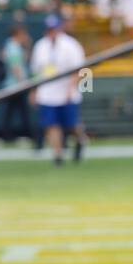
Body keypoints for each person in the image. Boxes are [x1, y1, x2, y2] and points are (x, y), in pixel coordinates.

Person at [30, 14, 87, 165]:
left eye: (54, 29)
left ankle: (80, 140)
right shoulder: (40, 46)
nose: (52, 32)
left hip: (67, 90)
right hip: (48, 92)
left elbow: (81, 70)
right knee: (51, 124)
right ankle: (58, 155)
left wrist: (71, 88)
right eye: (49, 29)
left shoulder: (71, 45)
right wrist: (34, 91)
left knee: (72, 124)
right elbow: (36, 71)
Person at [0, 24, 34, 145]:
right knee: (16, 111)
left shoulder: (15, 46)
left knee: (15, 111)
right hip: (14, 85)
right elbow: (15, 67)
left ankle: (11, 134)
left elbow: (24, 59)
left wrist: (28, 46)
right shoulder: (12, 46)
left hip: (16, 84)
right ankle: (10, 135)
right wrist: (22, 82)